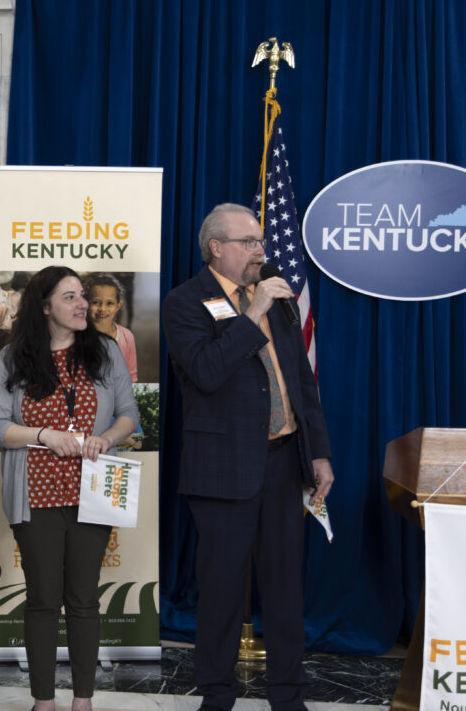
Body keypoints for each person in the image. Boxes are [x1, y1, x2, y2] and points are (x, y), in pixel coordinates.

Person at [161, 203, 334, 711]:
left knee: (284, 587)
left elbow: (301, 383)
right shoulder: (185, 302)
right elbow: (207, 372)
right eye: (250, 242)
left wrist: (318, 453)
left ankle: (288, 694)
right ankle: (217, 694)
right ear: (216, 248)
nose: (262, 250)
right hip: (222, 468)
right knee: (221, 588)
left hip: (284, 461)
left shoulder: (277, 298)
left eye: (261, 241)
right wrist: (252, 312)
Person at [0, 265, 137, 711]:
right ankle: (43, 701)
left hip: (93, 491)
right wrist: (43, 435)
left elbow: (128, 413)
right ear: (45, 306)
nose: (82, 304)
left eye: (82, 295)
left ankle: (83, 701)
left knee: (85, 600)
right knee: (44, 600)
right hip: (35, 494)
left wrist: (108, 437)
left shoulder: (105, 351)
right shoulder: (14, 357)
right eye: (69, 297)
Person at [86, 274, 138, 382]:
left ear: (118, 306)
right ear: (87, 304)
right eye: (96, 302)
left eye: (109, 303)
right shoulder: (78, 336)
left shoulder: (127, 336)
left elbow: (131, 375)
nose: (102, 309)